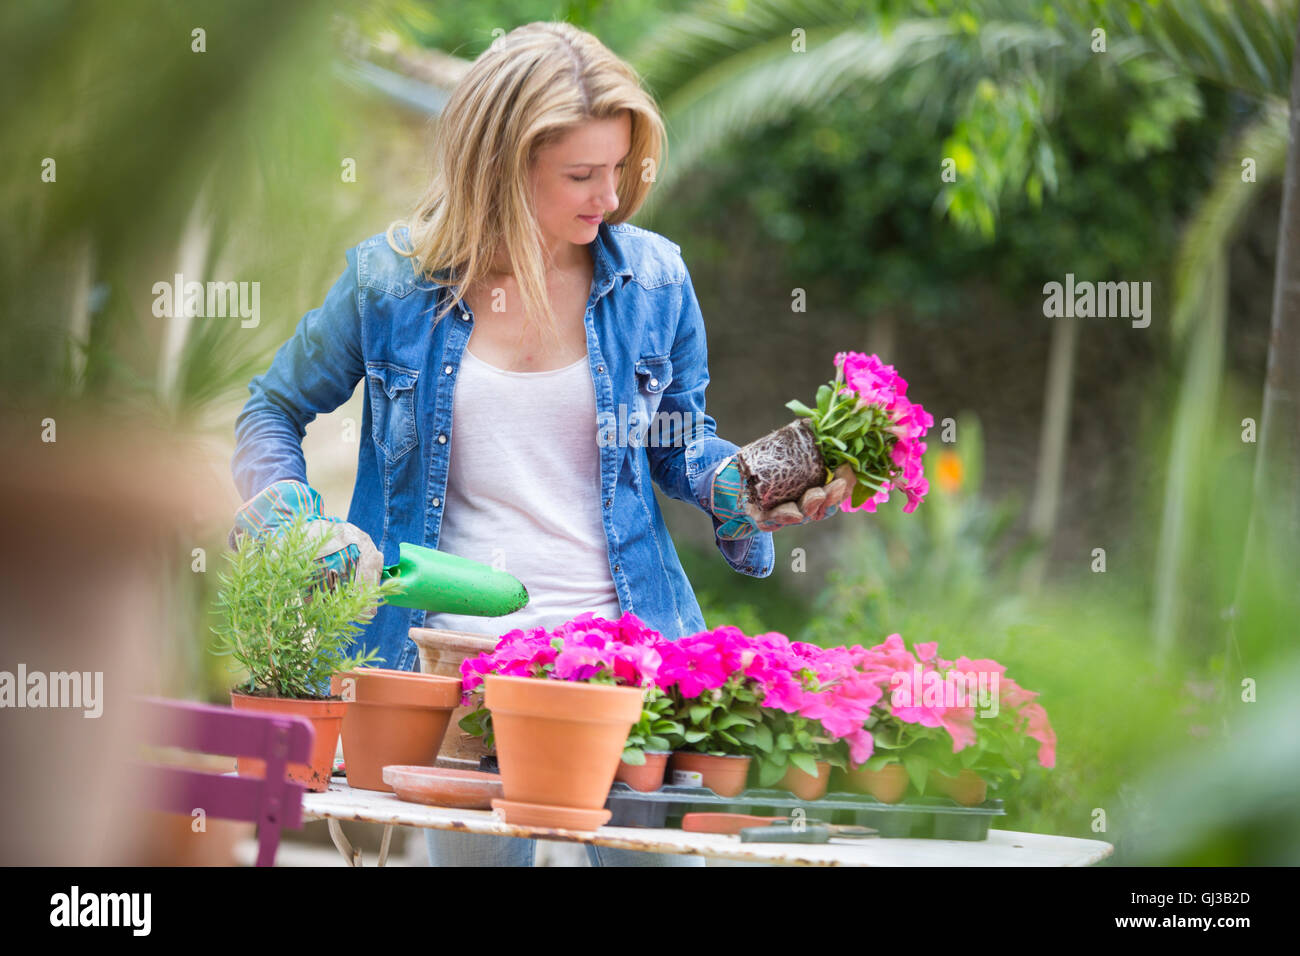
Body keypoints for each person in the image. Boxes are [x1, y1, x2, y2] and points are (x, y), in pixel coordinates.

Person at [229, 21, 854, 867]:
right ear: (502, 166)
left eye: (622, 169)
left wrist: (747, 487)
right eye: (580, 175)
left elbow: (679, 446)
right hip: (455, 668)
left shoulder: (655, 280)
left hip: (625, 662)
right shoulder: (390, 284)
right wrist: (294, 523)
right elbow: (270, 408)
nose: (611, 196)